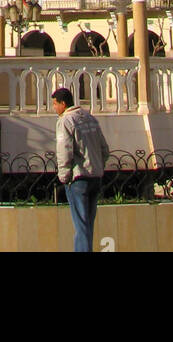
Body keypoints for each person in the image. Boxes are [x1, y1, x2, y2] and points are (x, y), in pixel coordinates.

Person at [53, 88, 109, 253]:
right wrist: (97, 166)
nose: (54, 108)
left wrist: (64, 176)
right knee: (87, 225)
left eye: (55, 104)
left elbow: (64, 150)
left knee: (81, 225)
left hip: (78, 179)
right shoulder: (90, 118)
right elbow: (104, 150)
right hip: (95, 177)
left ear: (63, 104)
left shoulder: (66, 121)